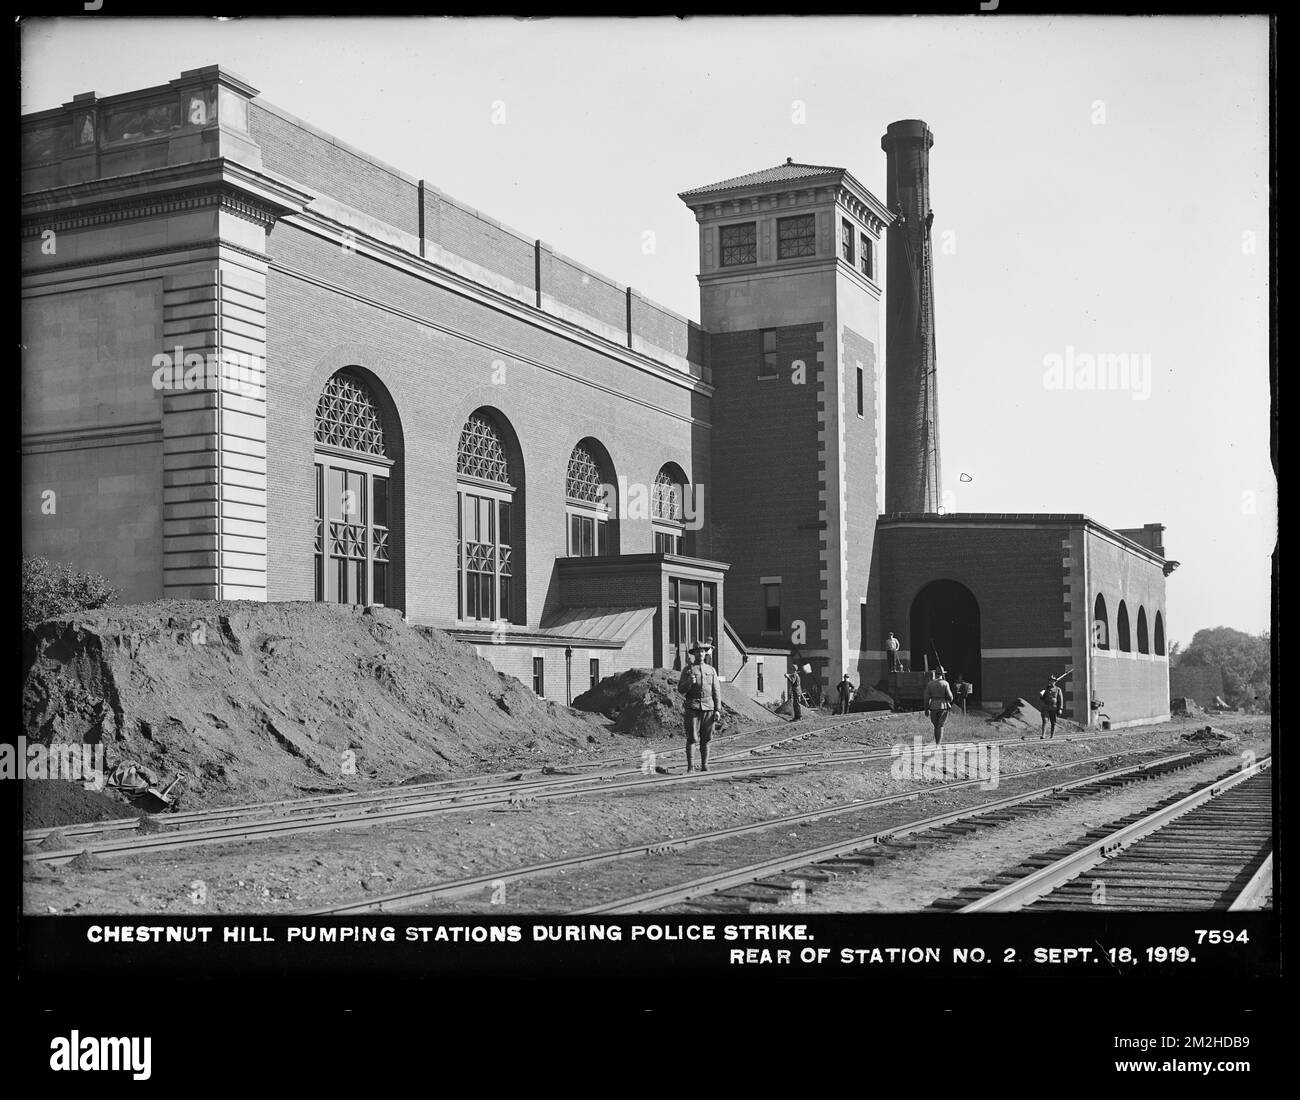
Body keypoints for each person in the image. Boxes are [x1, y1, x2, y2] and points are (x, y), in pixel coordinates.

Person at [677, 642, 721, 772]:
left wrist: (717, 709)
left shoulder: (711, 670)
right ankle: (690, 767)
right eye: (697, 652)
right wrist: (689, 682)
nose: (700, 654)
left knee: (706, 738)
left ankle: (705, 765)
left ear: (705, 653)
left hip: (708, 707)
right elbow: (680, 689)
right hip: (693, 707)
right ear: (694, 654)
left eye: (702, 651)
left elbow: (716, 691)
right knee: (692, 738)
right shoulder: (688, 670)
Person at [922, 668, 954, 745]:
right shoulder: (945, 683)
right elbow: (950, 697)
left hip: (933, 706)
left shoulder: (930, 684)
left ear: (935, 674)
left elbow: (926, 698)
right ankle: (938, 744)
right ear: (943, 674)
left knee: (936, 725)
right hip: (943, 706)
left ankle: (937, 743)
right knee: (940, 725)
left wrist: (926, 709)